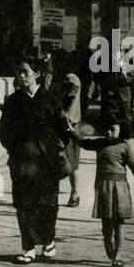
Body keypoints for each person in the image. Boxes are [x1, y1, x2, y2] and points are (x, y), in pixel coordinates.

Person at [0, 58, 69, 264]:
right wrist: (16, 148)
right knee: (24, 204)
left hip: (47, 161)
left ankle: (48, 240)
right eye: (19, 72)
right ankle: (28, 247)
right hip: (22, 160)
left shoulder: (50, 99)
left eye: (26, 72)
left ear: (37, 73)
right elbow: (3, 131)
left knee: (48, 203)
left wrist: (57, 146)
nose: (21, 76)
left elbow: (63, 127)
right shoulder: (13, 101)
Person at [69, 116, 134, 267]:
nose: (108, 131)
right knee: (106, 223)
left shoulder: (124, 148)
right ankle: (109, 244)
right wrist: (73, 132)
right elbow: (84, 143)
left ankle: (118, 256)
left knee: (119, 222)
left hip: (120, 189)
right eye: (107, 128)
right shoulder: (100, 143)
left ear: (122, 132)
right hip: (103, 187)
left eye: (113, 129)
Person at [59, 70, 82, 207]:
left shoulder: (73, 80)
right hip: (59, 123)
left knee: (72, 161)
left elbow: (71, 102)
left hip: (69, 125)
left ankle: (75, 193)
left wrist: (66, 118)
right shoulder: (62, 78)